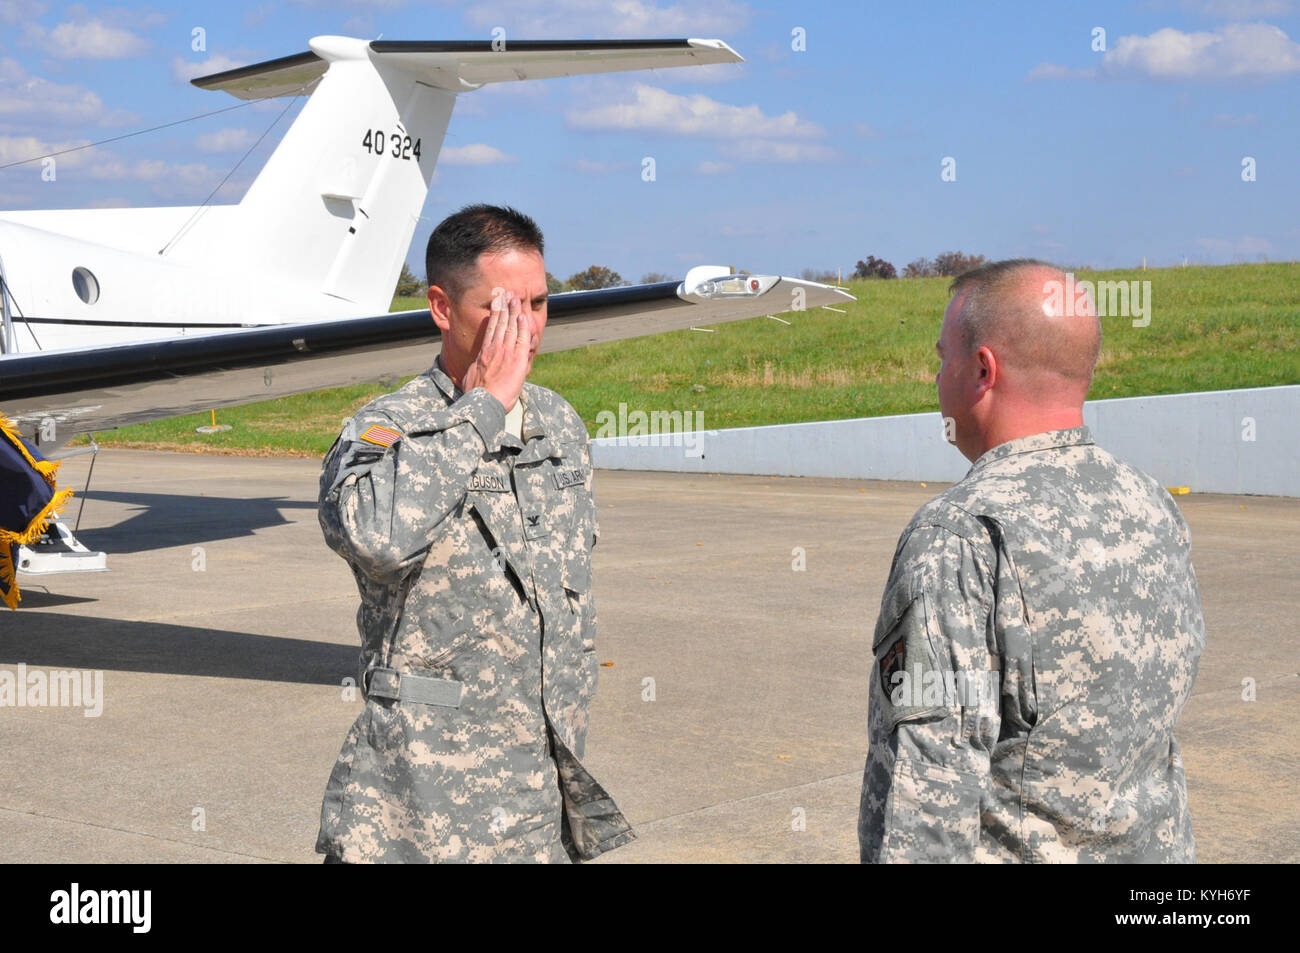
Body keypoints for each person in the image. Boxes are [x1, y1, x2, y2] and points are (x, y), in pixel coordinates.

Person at [315, 204, 634, 863]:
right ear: (441, 306)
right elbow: (376, 538)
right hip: (418, 819)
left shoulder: (557, 423)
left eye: (540, 304)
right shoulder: (386, 428)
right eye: (502, 308)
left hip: (538, 807)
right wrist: (481, 408)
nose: (528, 330)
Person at [858, 258, 1205, 863]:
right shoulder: (1151, 503)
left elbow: (928, 798)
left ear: (982, 370)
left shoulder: (960, 535)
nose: (938, 378)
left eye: (944, 358)